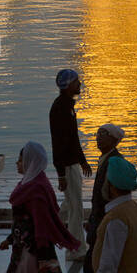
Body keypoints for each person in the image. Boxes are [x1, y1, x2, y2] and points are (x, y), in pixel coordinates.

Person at [0, 142, 84, 273]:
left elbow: (39, 223)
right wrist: (10, 240)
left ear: (29, 161)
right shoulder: (33, 183)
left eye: (20, 160)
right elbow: (23, 222)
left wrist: (37, 254)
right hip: (24, 249)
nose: (18, 163)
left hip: (30, 252)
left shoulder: (36, 189)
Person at [83, 123, 125, 273]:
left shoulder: (115, 162)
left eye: (103, 135)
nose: (98, 138)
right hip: (98, 220)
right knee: (93, 264)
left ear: (114, 140)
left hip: (106, 222)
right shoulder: (105, 159)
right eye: (97, 134)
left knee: (93, 265)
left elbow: (112, 196)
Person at [49, 68, 92, 260]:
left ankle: (48, 229)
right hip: (67, 165)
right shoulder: (60, 109)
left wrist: (82, 160)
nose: (80, 84)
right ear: (68, 86)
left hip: (72, 163)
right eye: (76, 82)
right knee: (76, 208)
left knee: (69, 204)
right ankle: (75, 250)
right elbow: (59, 143)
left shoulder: (67, 106)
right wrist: (61, 174)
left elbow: (73, 139)